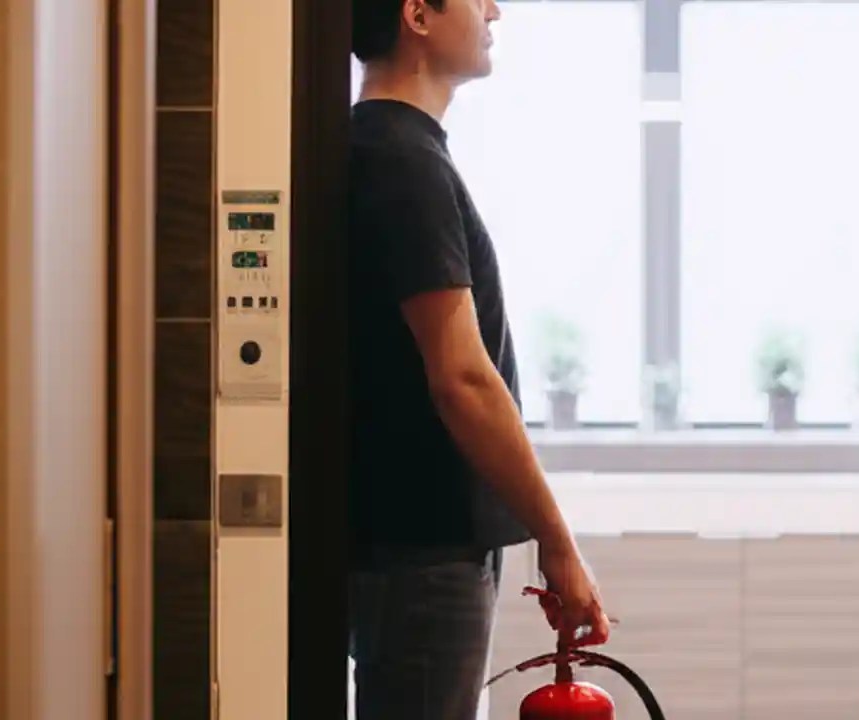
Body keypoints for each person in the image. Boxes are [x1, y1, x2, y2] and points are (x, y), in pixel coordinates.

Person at [347, 0, 612, 716]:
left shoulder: (387, 149)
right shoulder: (403, 161)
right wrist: (558, 545)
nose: (495, 8)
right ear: (418, 16)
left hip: (403, 539)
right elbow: (463, 379)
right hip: (423, 549)